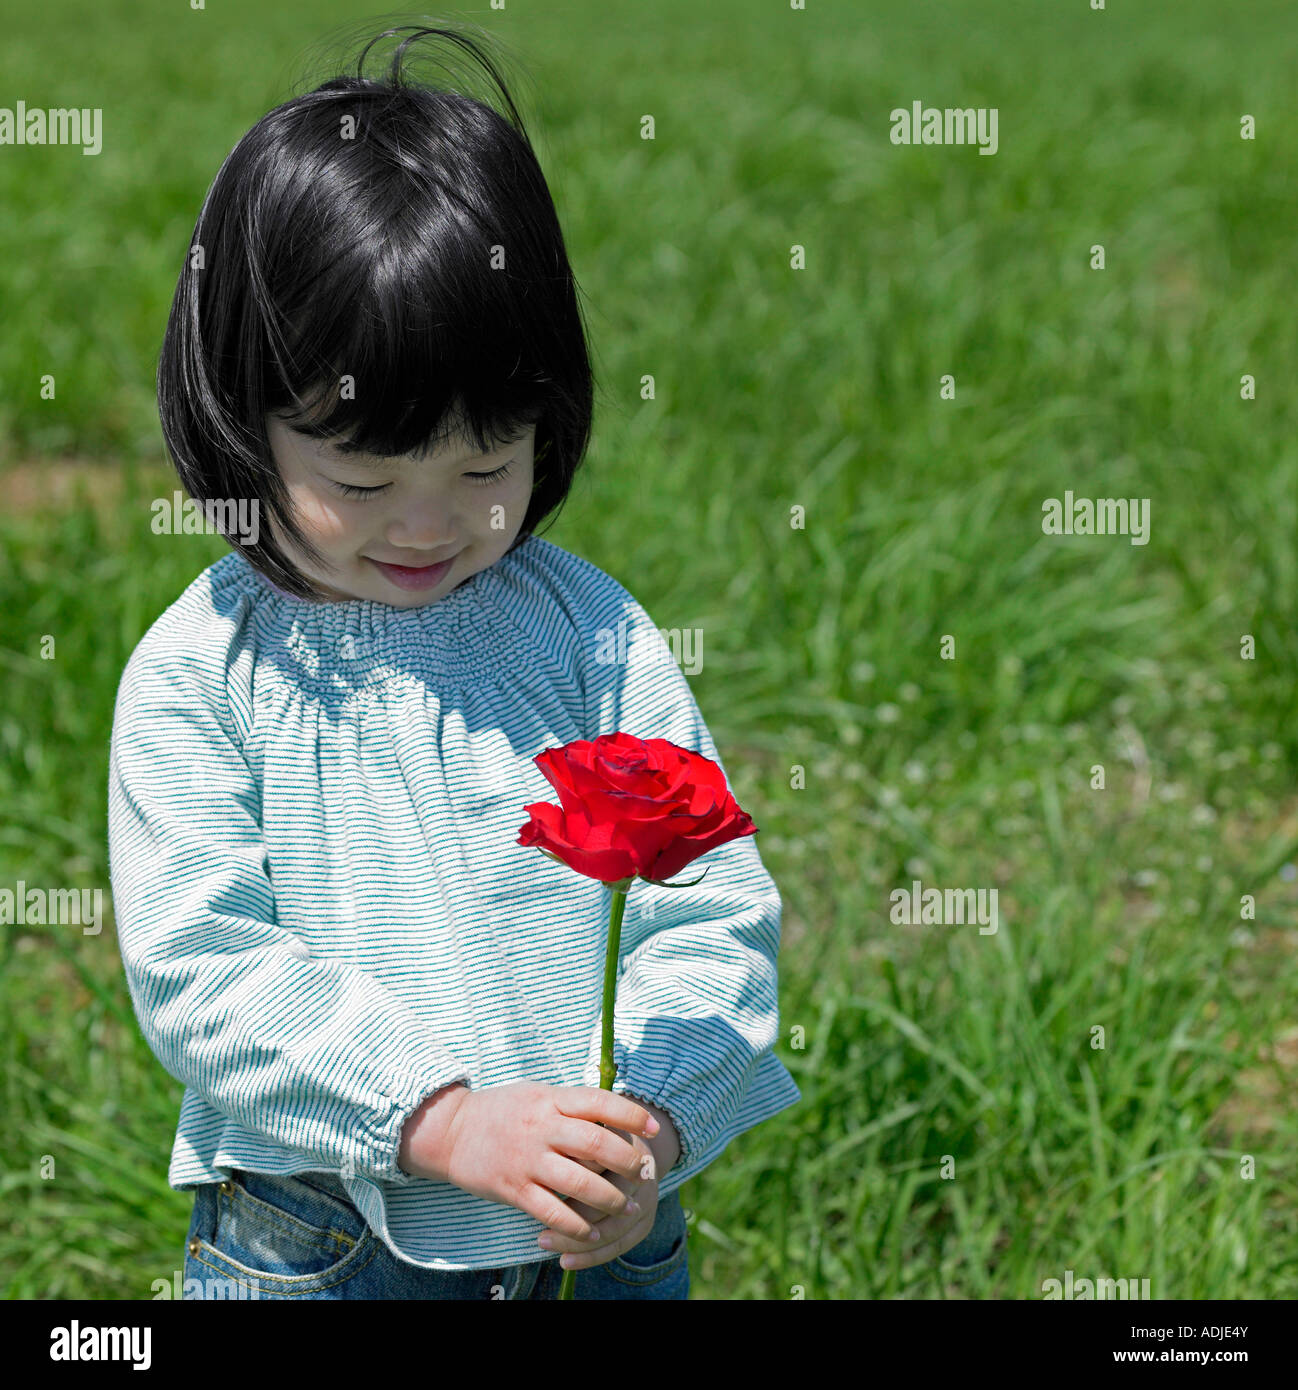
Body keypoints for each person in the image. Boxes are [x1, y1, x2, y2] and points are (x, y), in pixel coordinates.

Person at [108, 22, 800, 1300]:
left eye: (487, 466)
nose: (429, 523)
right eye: (362, 475)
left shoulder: (588, 635)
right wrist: (441, 1117)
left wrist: (649, 1120)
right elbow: (202, 969)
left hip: (590, 1222)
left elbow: (710, 907)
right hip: (320, 1232)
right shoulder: (202, 672)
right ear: (239, 415)